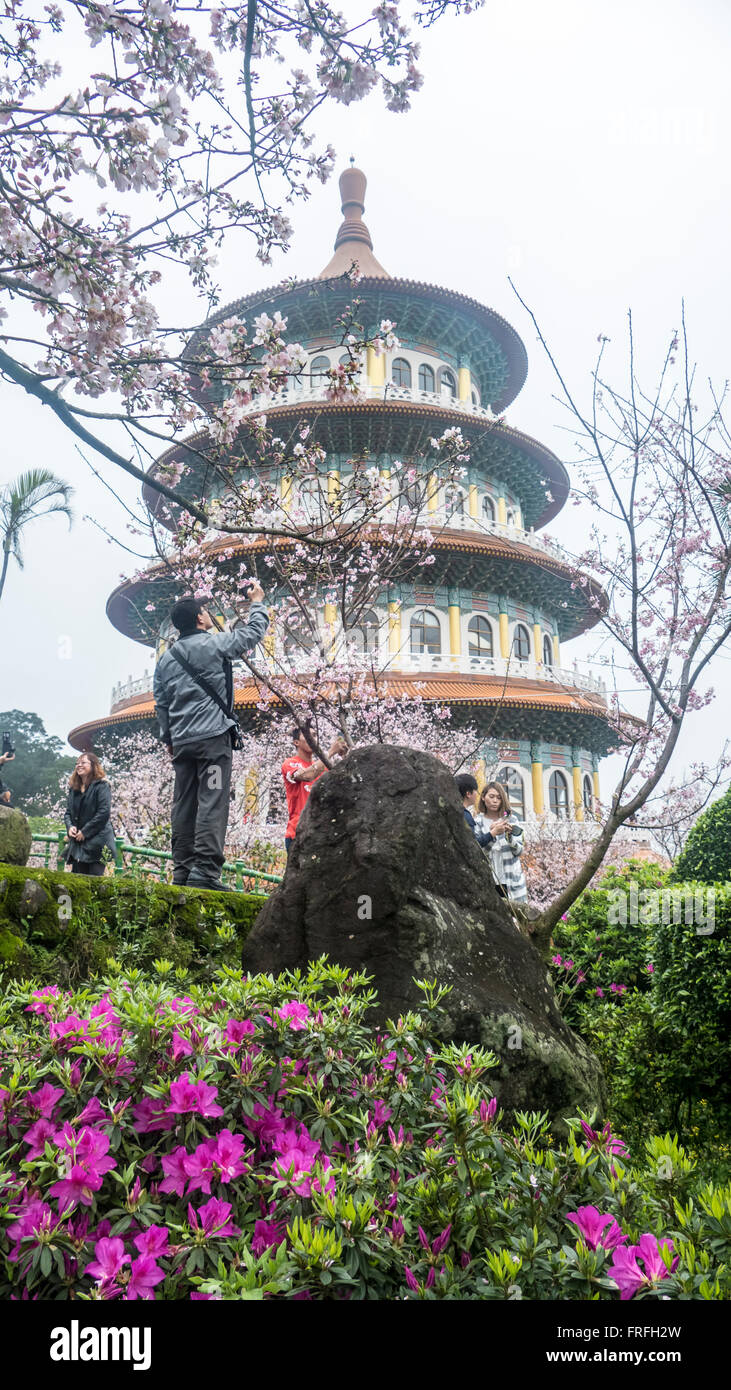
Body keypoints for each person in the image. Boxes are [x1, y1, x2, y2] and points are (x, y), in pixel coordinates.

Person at [153, 581, 269, 890]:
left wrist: (169, 740)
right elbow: (251, 636)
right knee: (212, 801)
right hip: (213, 741)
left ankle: (182, 871)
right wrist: (257, 603)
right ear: (200, 619)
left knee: (184, 803)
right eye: (205, 612)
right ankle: (204, 872)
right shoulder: (214, 644)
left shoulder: (166, 659)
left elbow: (161, 703)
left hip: (182, 744)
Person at [282, 726, 348, 854]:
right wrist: (329, 753)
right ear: (296, 743)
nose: (313, 738)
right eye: (307, 735)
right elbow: (307, 776)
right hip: (298, 833)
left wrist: (345, 758)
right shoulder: (290, 763)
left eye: (314, 735)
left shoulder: (324, 767)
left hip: (322, 833)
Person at [474, 780, 528, 903]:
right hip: (489, 880)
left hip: (512, 881)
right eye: (491, 796)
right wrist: (492, 835)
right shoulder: (478, 822)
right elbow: (478, 853)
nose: (495, 801)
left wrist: (509, 837)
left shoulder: (512, 820)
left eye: (499, 797)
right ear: (483, 797)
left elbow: (519, 851)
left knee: (517, 918)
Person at [64, 752, 117, 876]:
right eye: (77, 763)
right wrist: (70, 826)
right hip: (79, 841)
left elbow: (104, 813)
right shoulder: (74, 788)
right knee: (77, 878)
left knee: (93, 880)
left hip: (97, 841)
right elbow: (68, 813)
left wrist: (85, 831)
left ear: (93, 765)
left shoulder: (102, 786)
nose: (79, 765)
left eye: (83, 763)